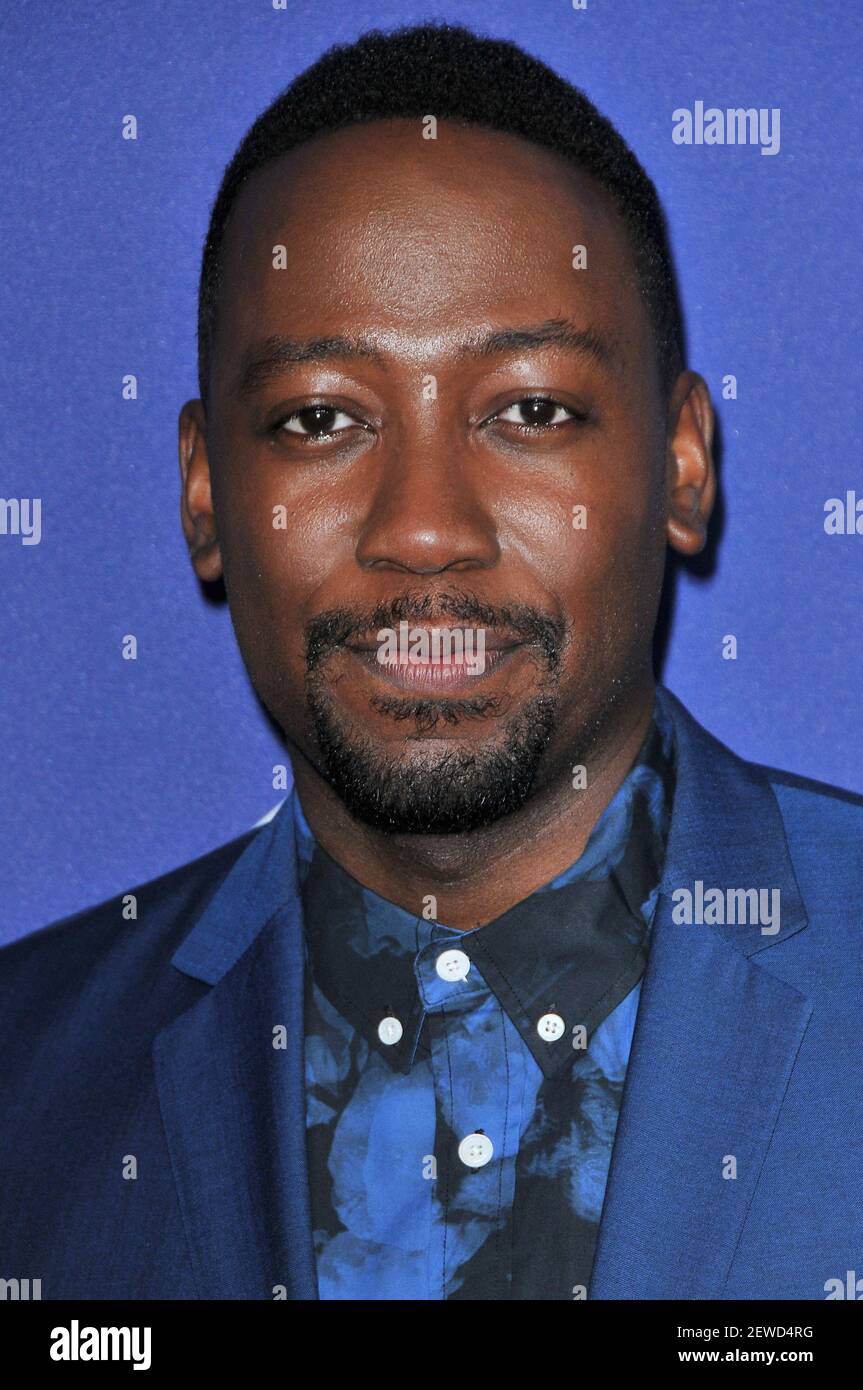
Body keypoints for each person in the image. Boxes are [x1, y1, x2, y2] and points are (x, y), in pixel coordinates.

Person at [1, 21, 860, 1302]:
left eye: (529, 409)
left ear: (680, 466)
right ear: (203, 495)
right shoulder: (28, 1074)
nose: (422, 530)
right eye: (320, 419)